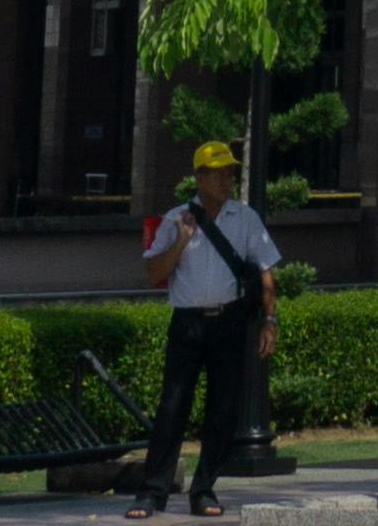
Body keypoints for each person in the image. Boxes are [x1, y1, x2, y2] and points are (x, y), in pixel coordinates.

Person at [134, 139, 279, 515]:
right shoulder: (176, 219)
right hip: (187, 323)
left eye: (229, 173)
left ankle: (204, 489)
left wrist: (269, 320)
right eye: (217, 174)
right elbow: (154, 272)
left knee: (223, 409)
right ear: (199, 177)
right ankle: (153, 491)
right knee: (172, 406)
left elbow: (265, 272)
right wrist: (181, 241)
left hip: (229, 321)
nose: (225, 180)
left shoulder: (245, 219)